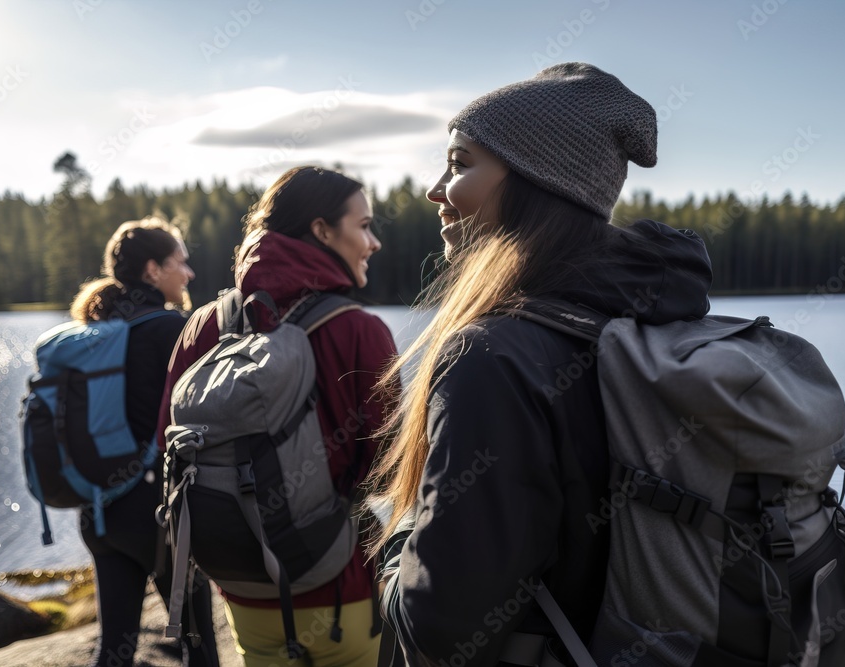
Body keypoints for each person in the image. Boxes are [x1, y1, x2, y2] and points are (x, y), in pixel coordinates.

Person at [369, 63, 714, 666]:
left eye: (459, 162)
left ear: (535, 179)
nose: (434, 190)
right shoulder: (645, 326)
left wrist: (398, 536)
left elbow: (441, 629)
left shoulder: (491, 358)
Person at [157, 165, 399, 667]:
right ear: (322, 231)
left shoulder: (206, 324)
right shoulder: (357, 329)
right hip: (339, 590)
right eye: (364, 226)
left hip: (243, 588)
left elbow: (169, 439)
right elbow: (390, 470)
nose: (373, 242)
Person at [71, 216, 217, 667]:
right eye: (180, 262)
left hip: (100, 509)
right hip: (159, 514)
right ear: (153, 270)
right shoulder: (174, 330)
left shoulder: (94, 332)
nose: (188, 273)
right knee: (199, 645)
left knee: (114, 647)